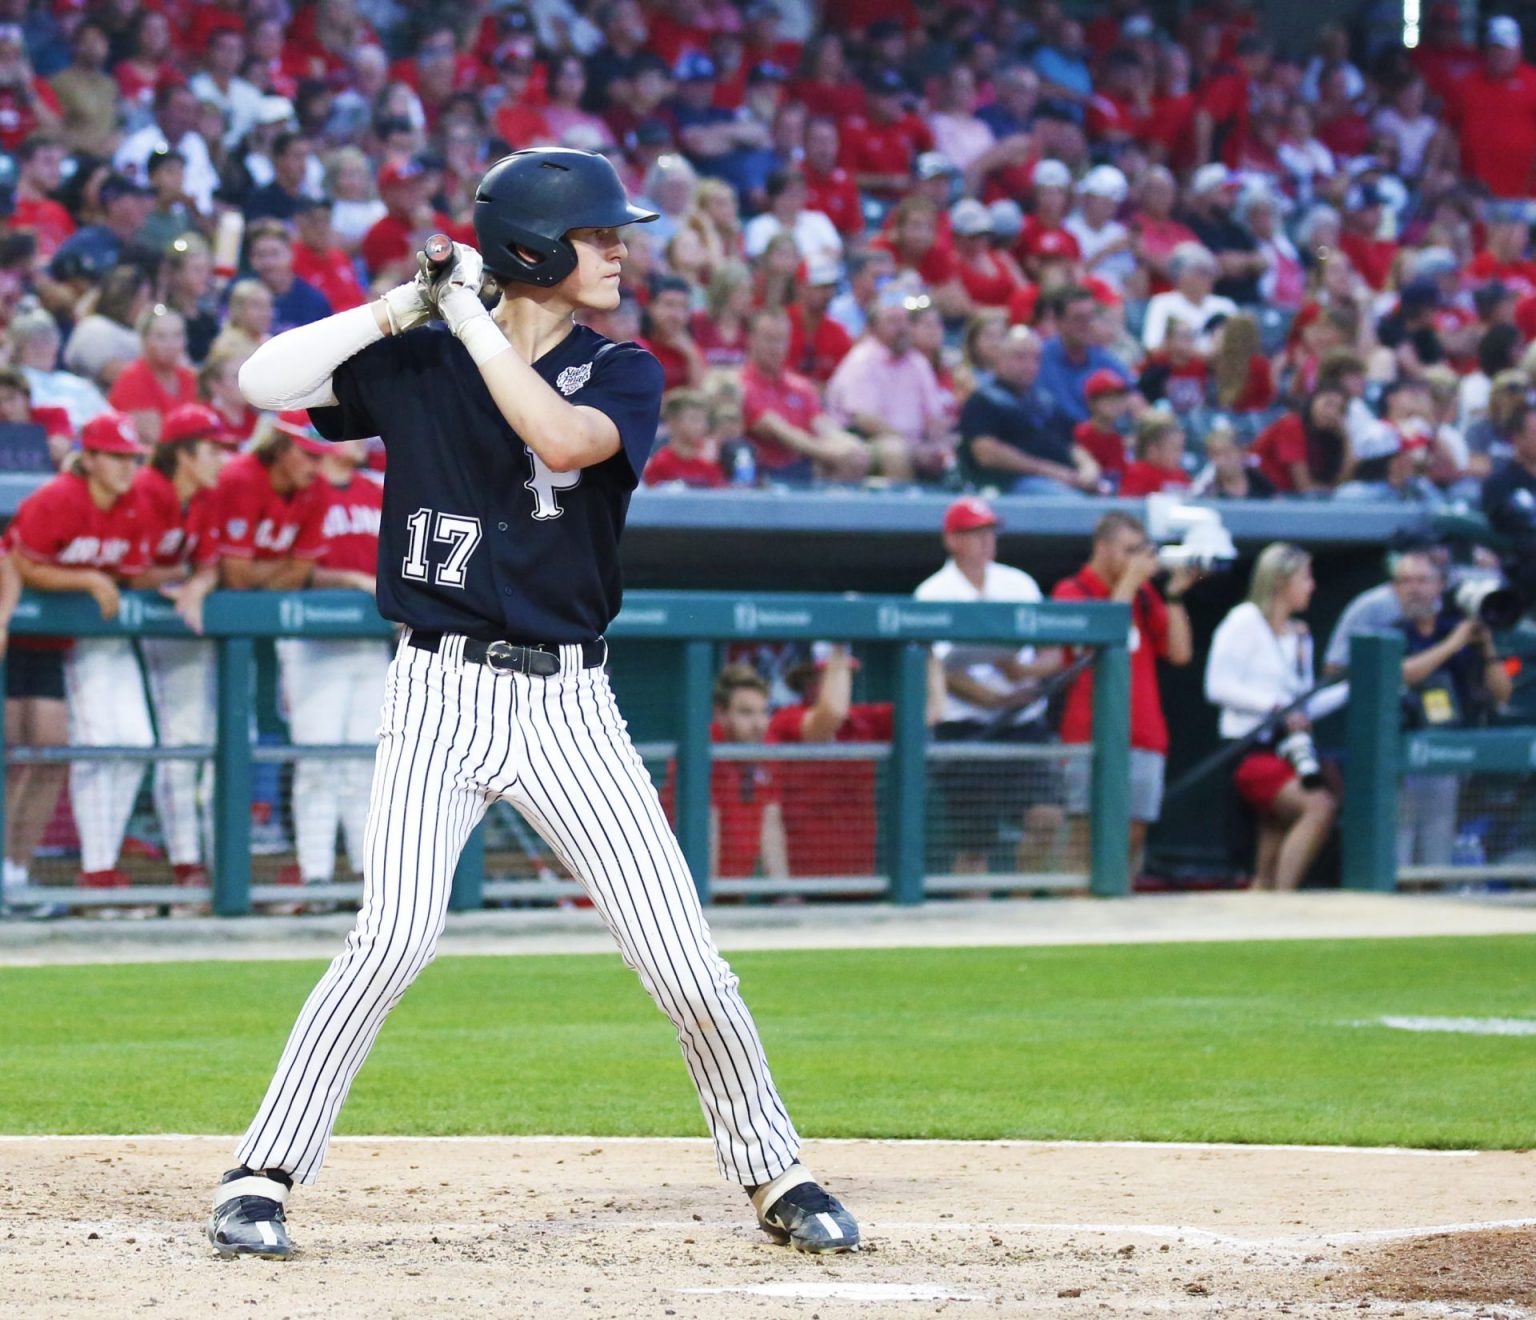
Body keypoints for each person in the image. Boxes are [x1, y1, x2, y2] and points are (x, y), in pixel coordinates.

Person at [211, 147, 858, 1260]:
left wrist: (469, 319)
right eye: (597, 236)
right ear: (534, 248)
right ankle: (260, 1173)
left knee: (682, 961)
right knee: (390, 941)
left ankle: (776, 1170)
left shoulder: (623, 369)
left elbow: (557, 436)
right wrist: (407, 305)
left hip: (568, 704)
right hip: (439, 689)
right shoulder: (420, 355)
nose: (619, 252)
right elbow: (261, 384)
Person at [8, 412, 153, 893]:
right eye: (115, 457)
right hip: (13, 636)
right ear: (88, 459)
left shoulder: (132, 506)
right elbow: (22, 563)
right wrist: (88, 579)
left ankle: (15, 871)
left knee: (50, 755)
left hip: (51, 646)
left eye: (132, 458)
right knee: (15, 758)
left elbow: (132, 571)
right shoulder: (57, 497)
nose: (127, 467)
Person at [914, 497, 1064, 875]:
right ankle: (973, 910)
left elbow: (1053, 652)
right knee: (974, 843)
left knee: (1047, 816)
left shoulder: (1018, 583)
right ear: (951, 540)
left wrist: (1025, 672)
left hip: (1023, 724)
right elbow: (941, 670)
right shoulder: (933, 592)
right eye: (974, 533)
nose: (986, 541)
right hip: (966, 727)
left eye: (990, 532)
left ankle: (1020, 904)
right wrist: (997, 699)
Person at [271, 419, 389, 897]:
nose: (364, 439)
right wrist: (352, 582)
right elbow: (290, 571)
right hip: (312, 643)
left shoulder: (377, 489)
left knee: (366, 763)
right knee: (318, 761)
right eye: (355, 432)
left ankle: (367, 874)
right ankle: (315, 873)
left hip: (369, 643)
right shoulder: (305, 489)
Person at [1053, 513, 1202, 877]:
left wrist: (1174, 595)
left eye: (1141, 550)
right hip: (1089, 735)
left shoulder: (1145, 595)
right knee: (1084, 836)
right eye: (1129, 550)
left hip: (1143, 733)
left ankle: (1121, 905)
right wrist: (1131, 582)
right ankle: (1076, 907)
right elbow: (1102, 640)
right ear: (1102, 548)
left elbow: (1180, 653)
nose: (1137, 559)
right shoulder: (1073, 590)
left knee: (1133, 836)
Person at [126, 403, 236, 892]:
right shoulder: (146, 489)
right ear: (184, 454)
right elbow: (132, 571)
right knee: (174, 739)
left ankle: (202, 858)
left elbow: (210, 566)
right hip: (122, 630)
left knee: (201, 738)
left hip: (176, 623)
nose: (222, 460)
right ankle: (183, 861)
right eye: (213, 450)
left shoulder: (205, 496)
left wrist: (195, 585)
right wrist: (183, 574)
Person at [1204, 543, 1345, 891]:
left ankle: (1265, 894)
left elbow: (1303, 704)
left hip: (1289, 750)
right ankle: (1285, 900)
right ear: (1281, 581)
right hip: (1247, 749)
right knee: (1318, 806)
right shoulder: (1244, 620)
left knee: (1274, 834)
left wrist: (1356, 687)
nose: (1311, 586)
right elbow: (1217, 686)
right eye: (1305, 577)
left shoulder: (1300, 636)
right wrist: (1274, 707)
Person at [1392, 553, 1511, 866]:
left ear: (1440, 586)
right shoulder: (1392, 631)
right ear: (1395, 588)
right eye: (1406, 581)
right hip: (1400, 758)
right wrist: (1453, 644)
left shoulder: (1456, 629)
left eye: (1422, 580)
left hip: (1449, 755)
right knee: (1399, 854)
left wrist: (1487, 646)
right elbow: (1402, 673)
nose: (1414, 589)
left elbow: (1502, 693)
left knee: (1436, 856)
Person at [956, 325, 1099, 494]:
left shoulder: (1046, 401)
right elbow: (986, 453)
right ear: (999, 358)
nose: (1029, 365)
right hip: (1010, 487)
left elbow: (1069, 444)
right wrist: (1049, 471)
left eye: (1035, 358)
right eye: (1020, 357)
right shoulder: (984, 400)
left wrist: (1088, 467)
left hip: (1060, 480)